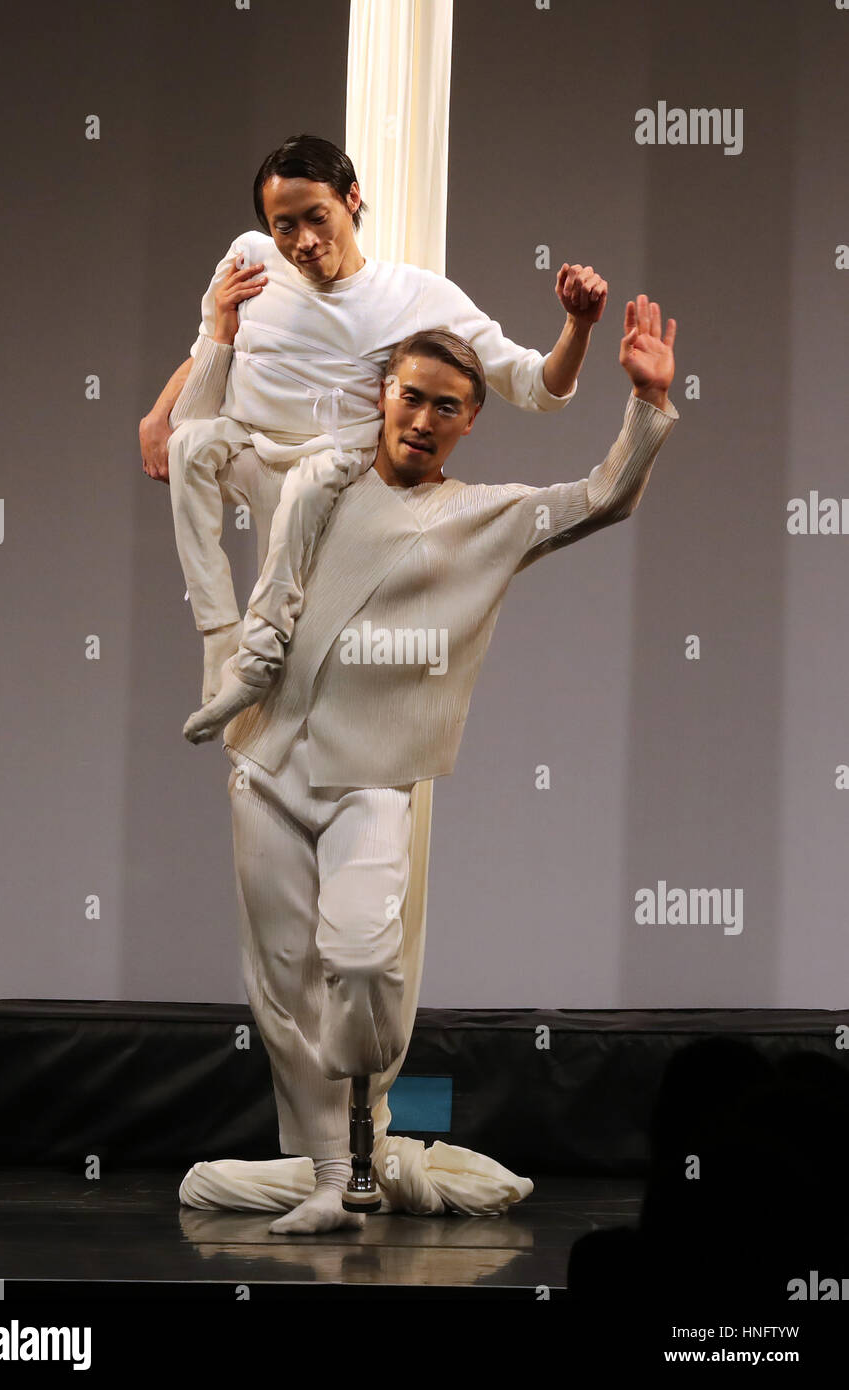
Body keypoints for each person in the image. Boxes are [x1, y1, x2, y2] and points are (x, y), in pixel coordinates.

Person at [181, 298, 678, 1234]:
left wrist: (646, 403)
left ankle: (366, 1139)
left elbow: (602, 495)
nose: (422, 419)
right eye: (410, 397)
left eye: (447, 406)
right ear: (382, 395)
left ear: (469, 419)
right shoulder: (315, 479)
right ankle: (338, 1175)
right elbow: (195, 445)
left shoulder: (484, 517)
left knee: (363, 959)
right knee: (284, 983)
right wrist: (210, 338)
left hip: (371, 773)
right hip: (266, 760)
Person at [137, 134, 607, 715]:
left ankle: (271, 667)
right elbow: (207, 354)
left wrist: (578, 326)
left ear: (351, 198)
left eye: (318, 218)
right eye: (286, 227)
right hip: (248, 452)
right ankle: (217, 638)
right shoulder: (250, 258)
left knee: (308, 667)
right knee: (189, 443)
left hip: (329, 473)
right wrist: (163, 411)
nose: (305, 242)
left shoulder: (415, 294)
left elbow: (538, 388)